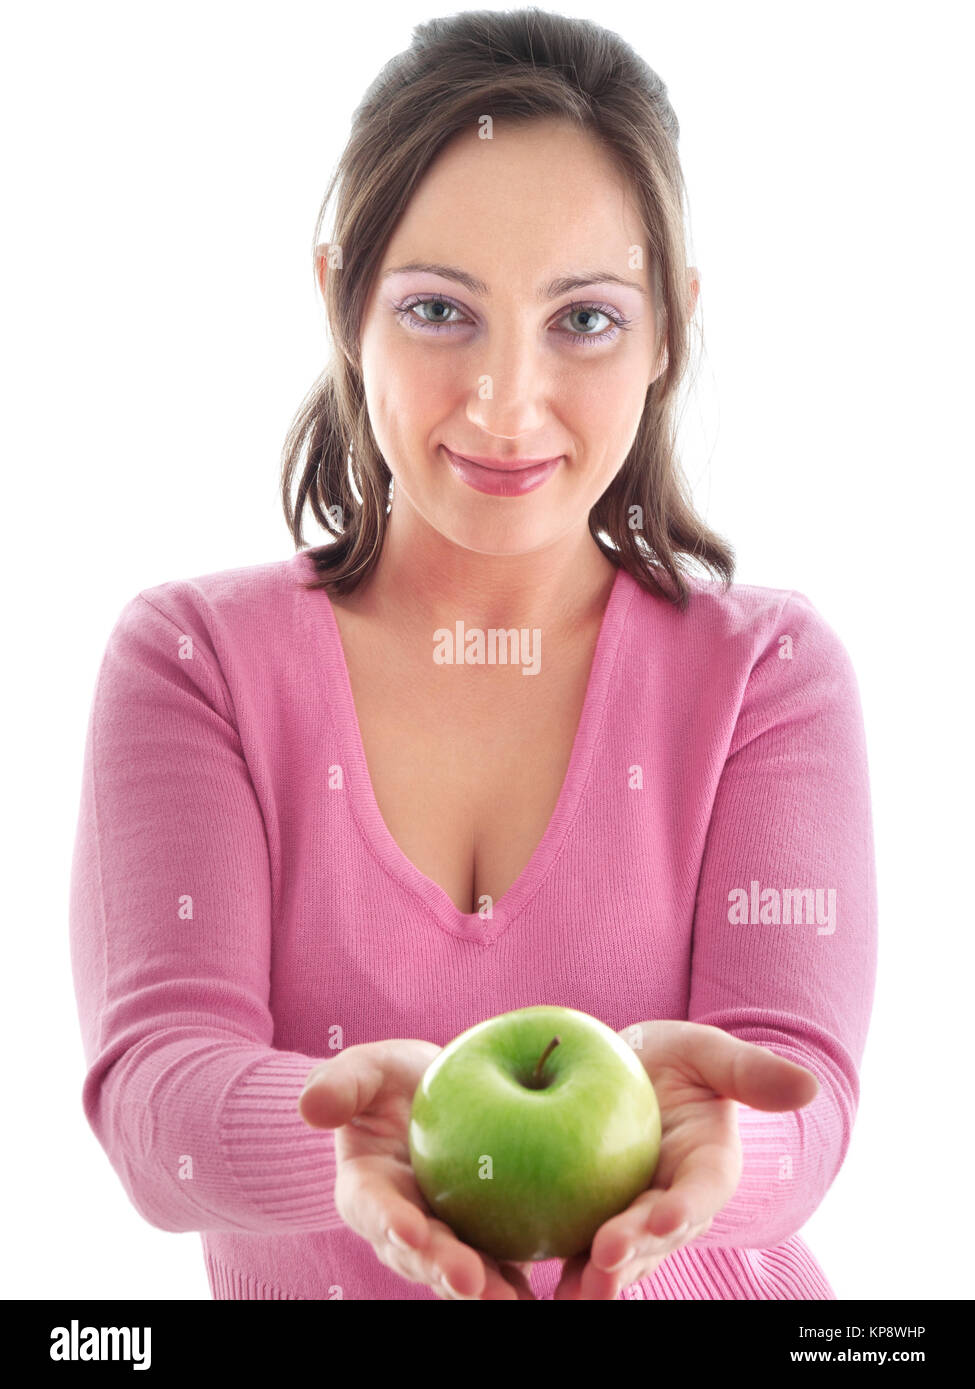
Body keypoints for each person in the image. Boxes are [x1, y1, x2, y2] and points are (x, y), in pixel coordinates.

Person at [69, 9, 877, 1300]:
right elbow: (154, 1098)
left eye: (587, 321)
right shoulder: (196, 661)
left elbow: (803, 1087)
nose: (507, 399)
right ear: (342, 302)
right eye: (441, 309)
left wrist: (732, 1147)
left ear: (669, 330)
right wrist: (356, 1133)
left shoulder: (769, 673)